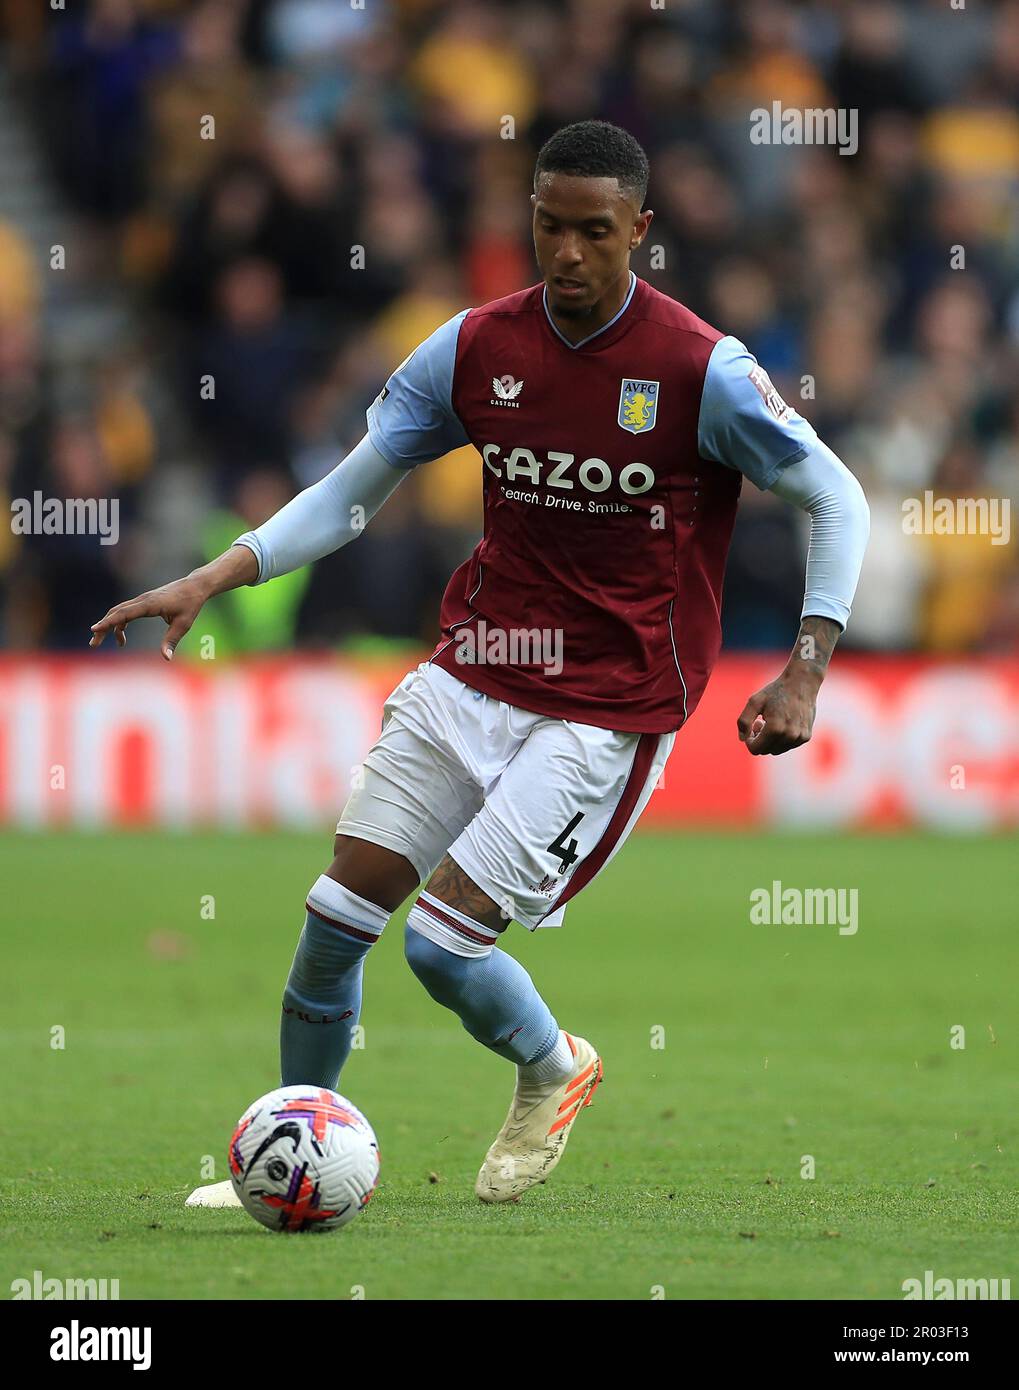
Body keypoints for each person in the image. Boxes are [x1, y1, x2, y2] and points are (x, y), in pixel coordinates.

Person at [90, 121, 870, 1211]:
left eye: (594, 233)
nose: (566, 254)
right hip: (474, 669)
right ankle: (293, 1148)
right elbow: (351, 492)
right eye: (548, 226)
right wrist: (216, 576)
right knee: (330, 927)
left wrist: (804, 667)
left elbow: (834, 495)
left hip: (605, 707)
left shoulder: (701, 369)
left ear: (637, 232)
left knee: (442, 949)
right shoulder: (470, 349)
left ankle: (552, 1062)